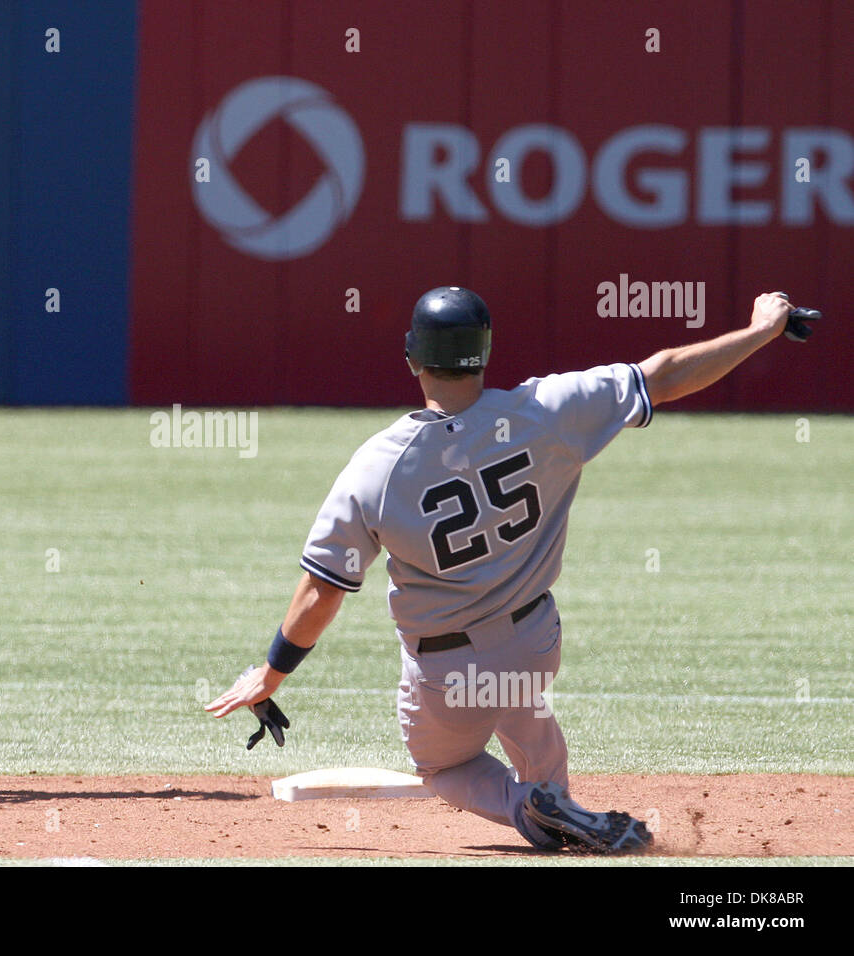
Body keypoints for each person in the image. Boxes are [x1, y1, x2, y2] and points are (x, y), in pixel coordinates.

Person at [207, 286, 800, 853]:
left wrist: (272, 672)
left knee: (445, 766)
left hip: (445, 670)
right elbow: (664, 372)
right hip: (535, 644)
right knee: (520, 698)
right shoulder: (550, 410)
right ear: (485, 352)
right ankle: (555, 803)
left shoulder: (375, 468)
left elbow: (322, 590)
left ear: (413, 356)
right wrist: (760, 330)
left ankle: (527, 808)